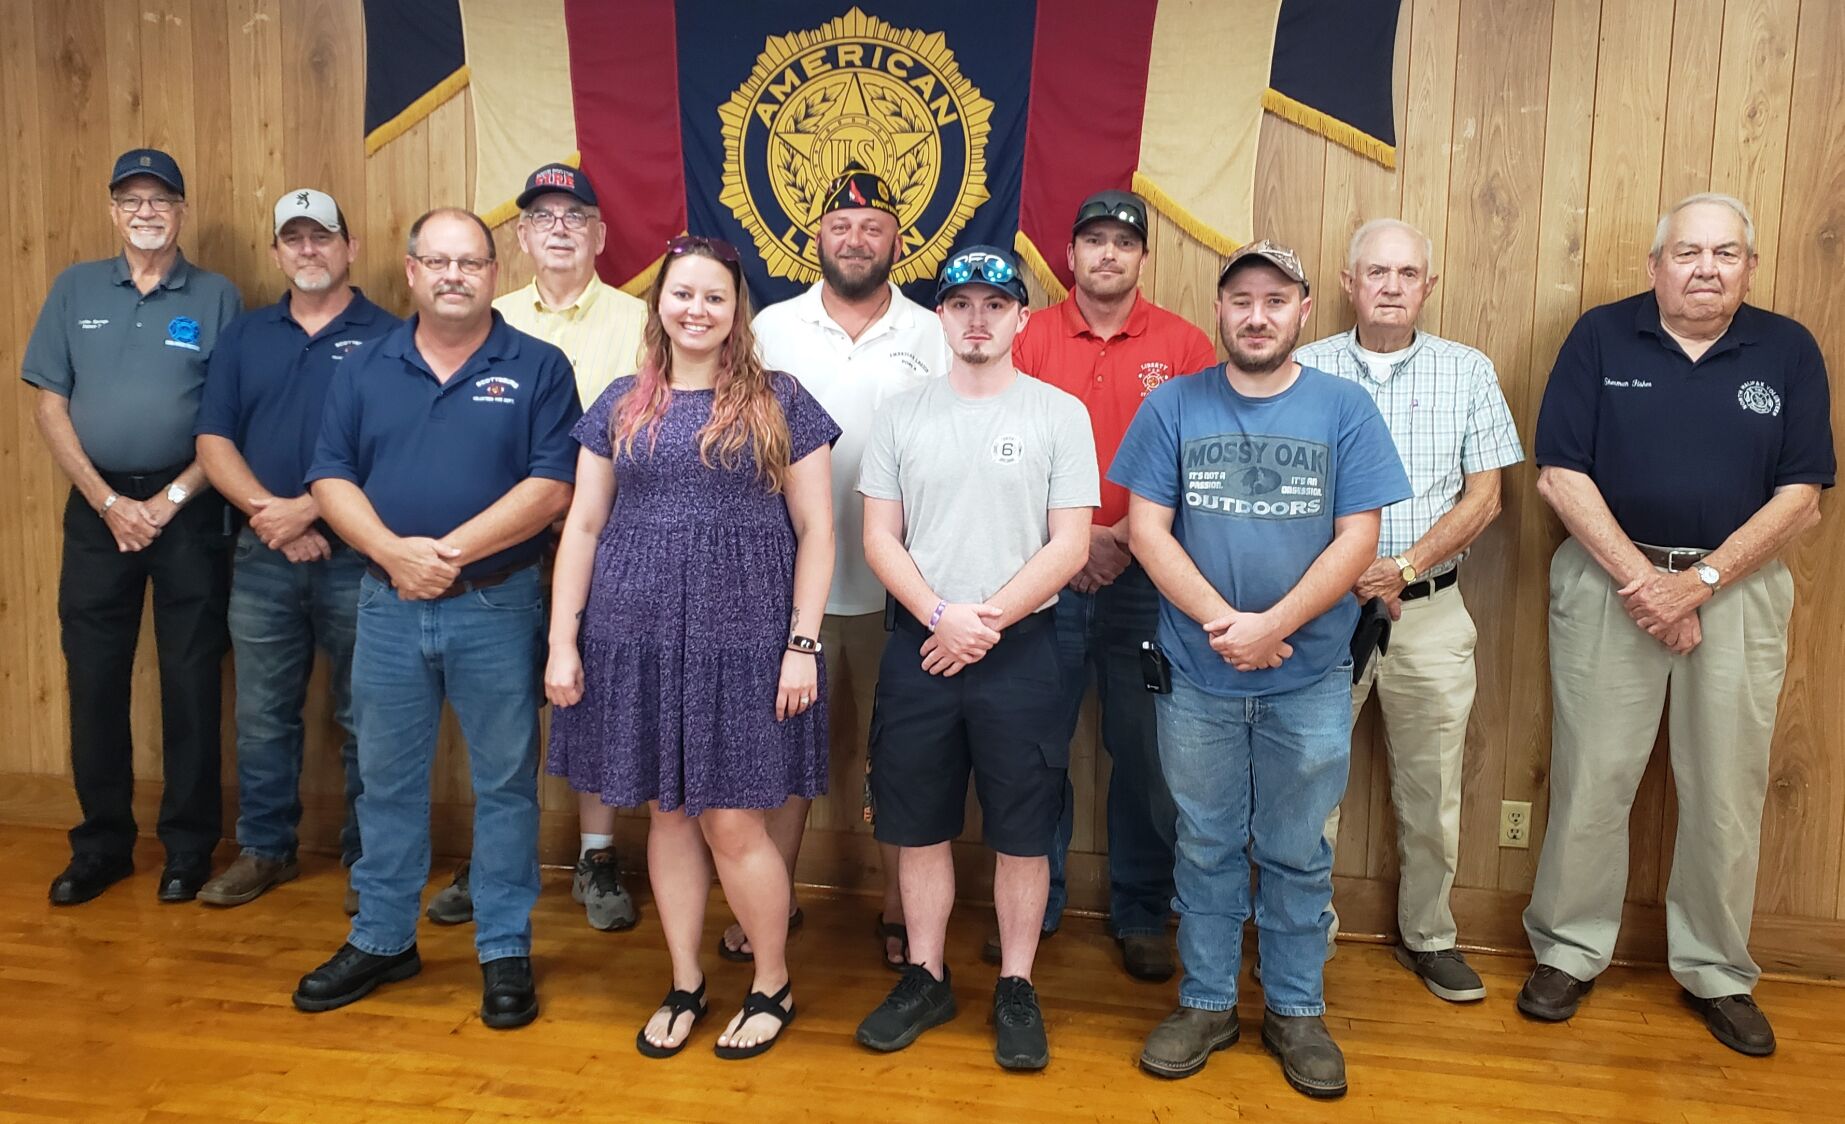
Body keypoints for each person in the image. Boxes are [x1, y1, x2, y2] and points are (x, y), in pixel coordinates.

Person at [1520, 193, 1832, 1057]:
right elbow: (1558, 474)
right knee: (1592, 776)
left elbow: (1800, 497)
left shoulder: (1788, 350)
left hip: (1735, 591)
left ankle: (1716, 971)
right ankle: (1568, 950)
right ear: (1654, 265)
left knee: (1726, 790)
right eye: (1687, 253)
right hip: (1607, 582)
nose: (1705, 269)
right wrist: (1645, 583)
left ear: (1749, 268)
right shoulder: (1600, 336)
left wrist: (1694, 583)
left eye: (1725, 253)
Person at [1112, 241, 1409, 1098]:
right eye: (1240, 299)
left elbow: (1359, 537)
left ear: (1303, 311)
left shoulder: (1342, 409)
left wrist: (1272, 626)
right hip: (1198, 673)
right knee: (1203, 841)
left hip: (1308, 671)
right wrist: (1223, 626)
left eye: (1274, 300)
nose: (1256, 315)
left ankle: (1295, 1008)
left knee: (1294, 849)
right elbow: (1146, 531)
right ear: (1219, 309)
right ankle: (1205, 1001)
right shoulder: (1172, 406)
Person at [545, 234, 839, 1060]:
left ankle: (771, 983)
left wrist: (802, 644)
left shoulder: (781, 399)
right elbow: (585, 524)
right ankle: (683, 981)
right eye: (683, 294)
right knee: (667, 816)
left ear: (735, 309)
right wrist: (563, 640)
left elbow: (817, 531)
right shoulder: (618, 402)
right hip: (632, 634)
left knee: (732, 822)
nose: (697, 309)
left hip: (744, 638)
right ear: (659, 304)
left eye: (714, 296)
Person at [291, 208, 580, 1030]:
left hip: (497, 603)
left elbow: (551, 486)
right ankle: (383, 938)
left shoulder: (538, 365)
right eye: (438, 261)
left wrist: (440, 554)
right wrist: (392, 554)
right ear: (411, 272)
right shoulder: (363, 365)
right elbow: (329, 476)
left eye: (471, 261)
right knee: (383, 779)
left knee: (504, 786)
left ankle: (502, 947)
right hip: (384, 605)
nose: (455, 274)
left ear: (495, 273)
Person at [853, 244, 1098, 1072]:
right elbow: (878, 536)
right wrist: (938, 615)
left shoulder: (1058, 413)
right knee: (916, 821)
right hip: (919, 643)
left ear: (1020, 318)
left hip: (1019, 647)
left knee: (1023, 829)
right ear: (943, 318)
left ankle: (1016, 985)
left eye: (994, 305)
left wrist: (984, 621)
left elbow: (1068, 545)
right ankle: (924, 975)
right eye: (960, 305)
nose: (977, 319)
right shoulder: (900, 411)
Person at [1295, 218, 1523, 1000]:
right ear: (1348, 283)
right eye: (1376, 272)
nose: (1390, 286)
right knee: (1308, 783)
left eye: (1406, 273)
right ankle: (1303, 936)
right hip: (1322, 613)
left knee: (1431, 790)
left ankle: (1428, 935)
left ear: (1428, 286)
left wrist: (1402, 566)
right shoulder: (1302, 368)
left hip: (1426, 610)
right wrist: (1342, 576)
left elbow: (1485, 496)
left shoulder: (1467, 371)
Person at [425, 163, 649, 932]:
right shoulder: (483, 317)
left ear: (601, 235)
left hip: (607, 542)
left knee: (594, 700)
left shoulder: (640, 321)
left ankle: (596, 855)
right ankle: (497, 857)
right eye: (542, 216)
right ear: (517, 236)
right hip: (504, 546)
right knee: (501, 705)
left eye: (575, 215)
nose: (558, 227)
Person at [741, 164, 950, 970]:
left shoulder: (932, 331)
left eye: (872, 227)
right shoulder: (770, 329)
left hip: (906, 586)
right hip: (790, 587)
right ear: (813, 238)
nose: (855, 238)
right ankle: (772, 904)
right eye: (839, 226)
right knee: (780, 757)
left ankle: (901, 910)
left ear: (898, 241)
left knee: (900, 759)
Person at [1004, 188, 1217, 981]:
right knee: (1036, 747)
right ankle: (1039, 901)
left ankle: (1139, 912)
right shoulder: (1025, 339)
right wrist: (1073, 543)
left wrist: (1121, 539)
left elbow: (1198, 458)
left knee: (1144, 754)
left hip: (1146, 578)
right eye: (1091, 241)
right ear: (1069, 254)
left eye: (1121, 243)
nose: (1105, 255)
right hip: (1042, 574)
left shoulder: (1186, 345)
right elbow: (1006, 446)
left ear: (1140, 258)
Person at [24, 148, 242, 906]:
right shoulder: (75, 287)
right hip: (96, 513)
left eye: (161, 199)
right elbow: (50, 402)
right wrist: (108, 502)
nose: (146, 212)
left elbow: (226, 416)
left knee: (189, 681)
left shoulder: (216, 296)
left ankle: (188, 848)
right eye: (132, 200)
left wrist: (168, 501)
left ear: (182, 211)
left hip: (189, 512)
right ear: (113, 211)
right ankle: (102, 845)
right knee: (94, 678)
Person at [191, 189, 397, 913]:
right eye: (294, 239)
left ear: (351, 247)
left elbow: (396, 447)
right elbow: (213, 439)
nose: (308, 250)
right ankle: (264, 850)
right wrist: (268, 515)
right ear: (277, 252)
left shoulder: (391, 336)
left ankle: (370, 860)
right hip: (262, 554)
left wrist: (312, 507)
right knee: (261, 713)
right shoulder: (246, 336)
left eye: (322, 237)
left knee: (365, 711)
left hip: (360, 558)